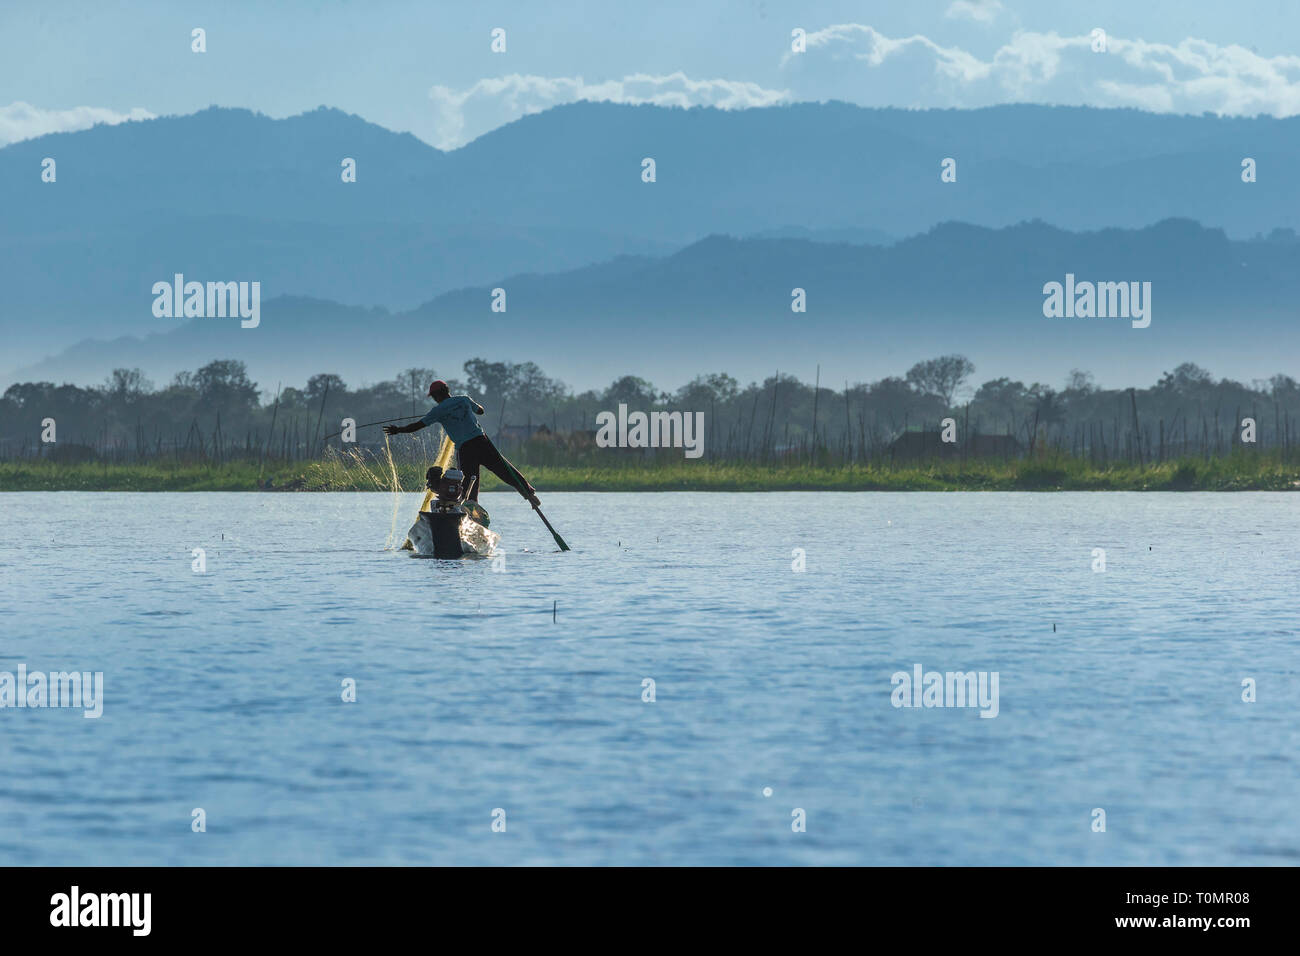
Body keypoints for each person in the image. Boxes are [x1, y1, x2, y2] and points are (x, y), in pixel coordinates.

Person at [384, 380, 540, 507]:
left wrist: (398, 430)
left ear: (437, 395)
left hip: (466, 448)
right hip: (482, 441)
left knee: (468, 480)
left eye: (433, 396)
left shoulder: (437, 411)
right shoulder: (464, 400)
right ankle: (530, 494)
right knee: (503, 468)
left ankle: (470, 506)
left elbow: (416, 426)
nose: (434, 399)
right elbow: (480, 411)